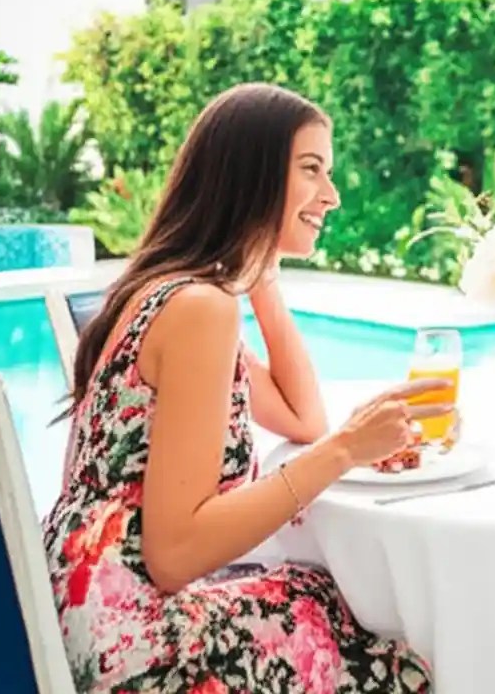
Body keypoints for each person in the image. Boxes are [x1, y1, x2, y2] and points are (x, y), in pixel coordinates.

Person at [42, 83, 452, 693]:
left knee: (326, 597)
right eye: (312, 170)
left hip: (82, 608)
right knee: (398, 651)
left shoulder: (178, 292)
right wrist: (344, 452)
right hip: (133, 642)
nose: (332, 196)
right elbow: (175, 554)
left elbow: (300, 416)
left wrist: (259, 271)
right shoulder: (197, 310)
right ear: (251, 174)